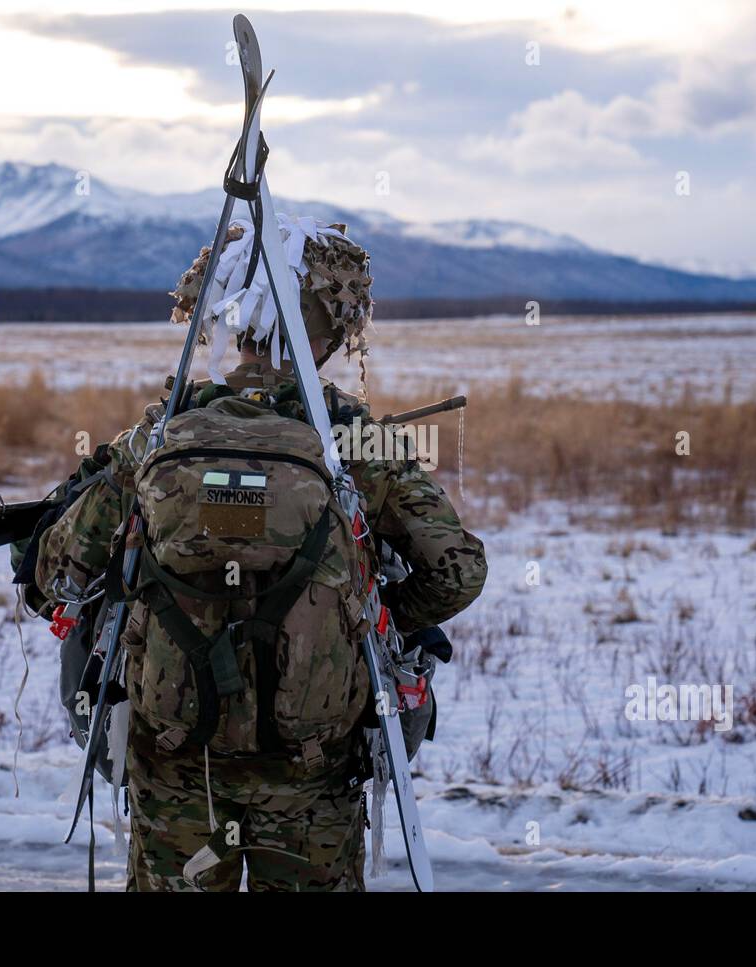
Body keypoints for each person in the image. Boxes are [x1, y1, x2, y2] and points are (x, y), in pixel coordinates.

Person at [34, 217, 486, 891]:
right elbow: (457, 570)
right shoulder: (350, 442)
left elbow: (57, 575)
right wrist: (368, 611)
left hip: (177, 769)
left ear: (229, 325)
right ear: (328, 338)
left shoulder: (159, 435)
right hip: (312, 775)